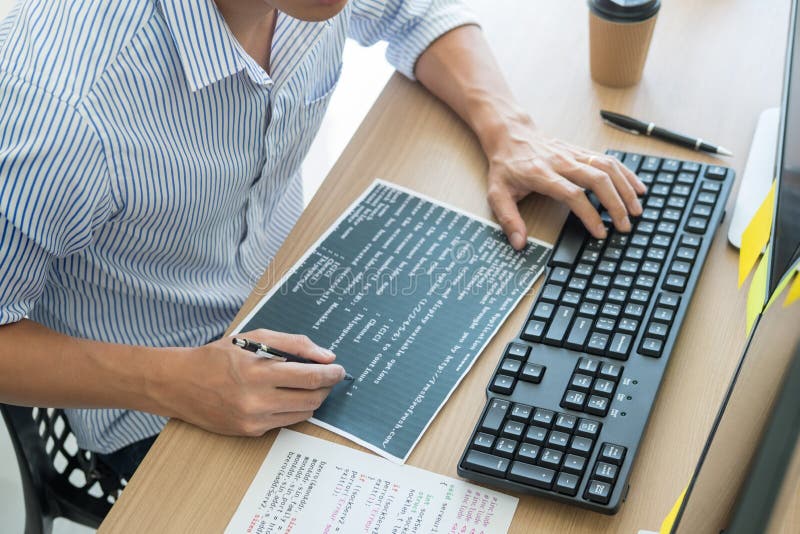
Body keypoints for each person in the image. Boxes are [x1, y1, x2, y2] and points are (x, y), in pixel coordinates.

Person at [0, 0, 644, 481]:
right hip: (163, 404)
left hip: (305, 284)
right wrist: (173, 382)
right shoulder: (61, 109)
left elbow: (410, 8)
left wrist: (506, 126)